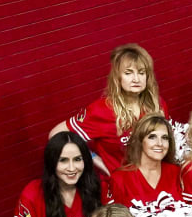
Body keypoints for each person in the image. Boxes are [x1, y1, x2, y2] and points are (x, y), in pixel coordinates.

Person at [53, 44, 168, 175]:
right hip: (121, 184)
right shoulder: (101, 110)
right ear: (117, 77)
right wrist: (98, 162)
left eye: (141, 73)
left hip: (155, 179)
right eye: (128, 73)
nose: (136, 79)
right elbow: (56, 134)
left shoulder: (157, 104)